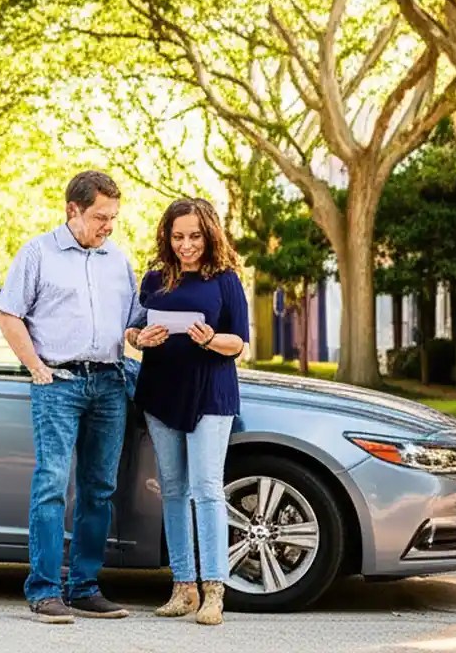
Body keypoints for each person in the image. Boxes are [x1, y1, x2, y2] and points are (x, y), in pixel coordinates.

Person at [0, 170, 144, 624]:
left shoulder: (117, 260)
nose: (108, 226)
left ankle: (84, 587)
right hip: (58, 384)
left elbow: (132, 323)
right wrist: (36, 367)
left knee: (99, 490)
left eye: (114, 217)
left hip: (109, 385)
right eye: (100, 217)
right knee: (51, 487)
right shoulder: (38, 253)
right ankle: (44, 590)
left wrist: (147, 334)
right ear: (72, 210)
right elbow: (8, 312)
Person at [127, 197, 249, 626]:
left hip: (210, 393)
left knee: (207, 489)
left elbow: (240, 344)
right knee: (174, 490)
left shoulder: (226, 281)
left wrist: (210, 339)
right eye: (178, 237)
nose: (186, 245)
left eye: (194, 236)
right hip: (161, 391)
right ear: (167, 237)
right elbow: (132, 329)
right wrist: (141, 339)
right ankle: (183, 588)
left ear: (210, 234)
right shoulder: (155, 278)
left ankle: (214, 590)